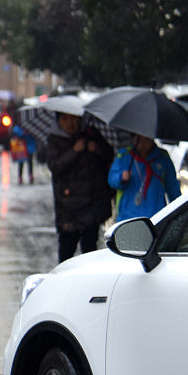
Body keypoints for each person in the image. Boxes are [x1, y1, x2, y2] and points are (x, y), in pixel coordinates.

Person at [46, 111, 114, 262]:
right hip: (69, 206)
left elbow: (109, 156)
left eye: (74, 118)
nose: (71, 123)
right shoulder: (55, 141)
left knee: (90, 253)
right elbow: (55, 167)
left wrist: (96, 149)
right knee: (66, 253)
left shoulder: (92, 134)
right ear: (58, 121)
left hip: (92, 205)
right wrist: (74, 151)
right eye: (65, 119)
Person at [108, 133, 181, 220]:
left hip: (156, 217)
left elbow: (173, 189)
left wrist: (179, 213)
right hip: (127, 217)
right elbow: (111, 179)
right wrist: (121, 177)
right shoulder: (124, 156)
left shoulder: (163, 159)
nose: (142, 144)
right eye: (139, 140)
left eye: (146, 140)